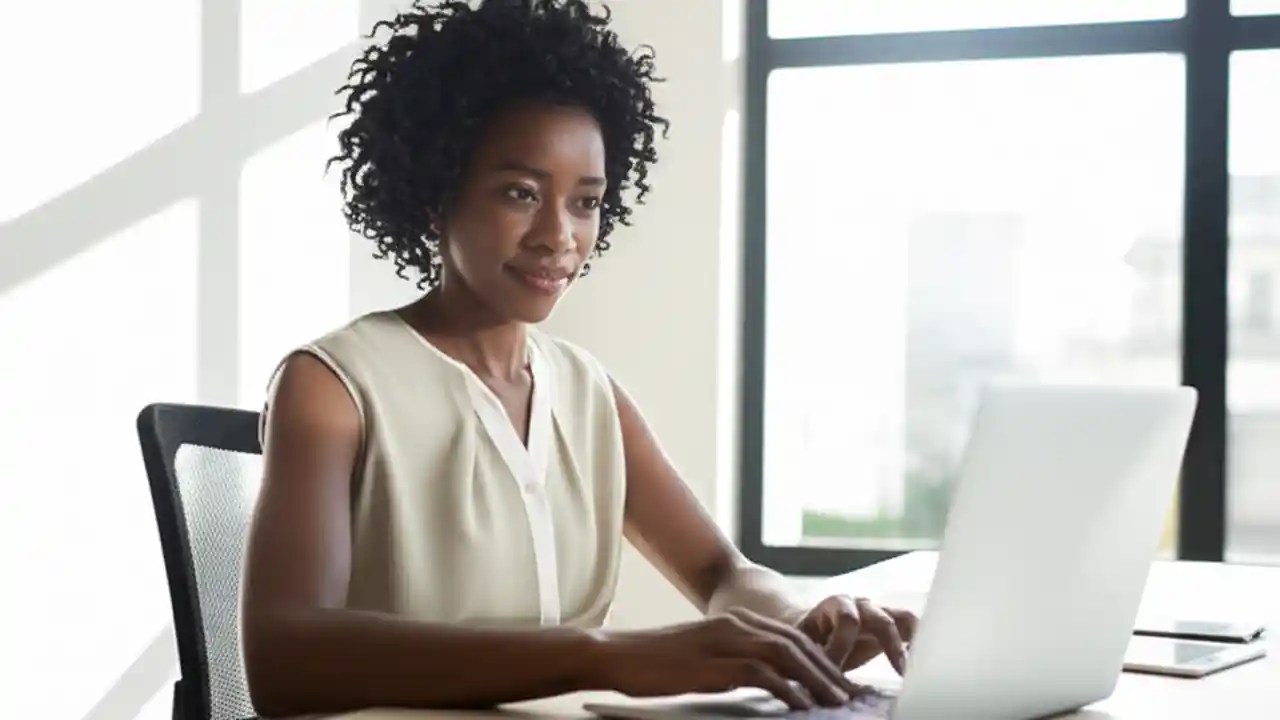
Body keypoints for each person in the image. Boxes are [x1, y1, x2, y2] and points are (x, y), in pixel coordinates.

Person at [240, 1, 917, 717]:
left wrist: (805, 617)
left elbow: (722, 572)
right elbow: (286, 658)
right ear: (436, 194)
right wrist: (606, 656)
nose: (558, 235)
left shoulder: (588, 393)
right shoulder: (332, 387)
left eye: (586, 202)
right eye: (520, 194)